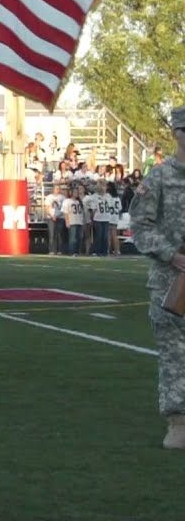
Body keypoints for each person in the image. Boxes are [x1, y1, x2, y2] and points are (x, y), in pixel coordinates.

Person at [129, 105, 185, 449]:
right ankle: (178, 423)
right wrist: (172, 255)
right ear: (179, 134)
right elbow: (140, 226)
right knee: (174, 354)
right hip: (172, 282)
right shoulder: (161, 177)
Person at [44, 181, 67, 256]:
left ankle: (60, 250)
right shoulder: (49, 197)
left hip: (60, 217)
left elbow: (64, 209)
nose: (57, 190)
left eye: (58, 188)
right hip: (50, 217)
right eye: (55, 188)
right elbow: (47, 208)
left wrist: (57, 215)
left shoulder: (63, 198)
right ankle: (51, 250)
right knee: (51, 234)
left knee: (60, 234)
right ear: (53, 189)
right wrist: (52, 215)